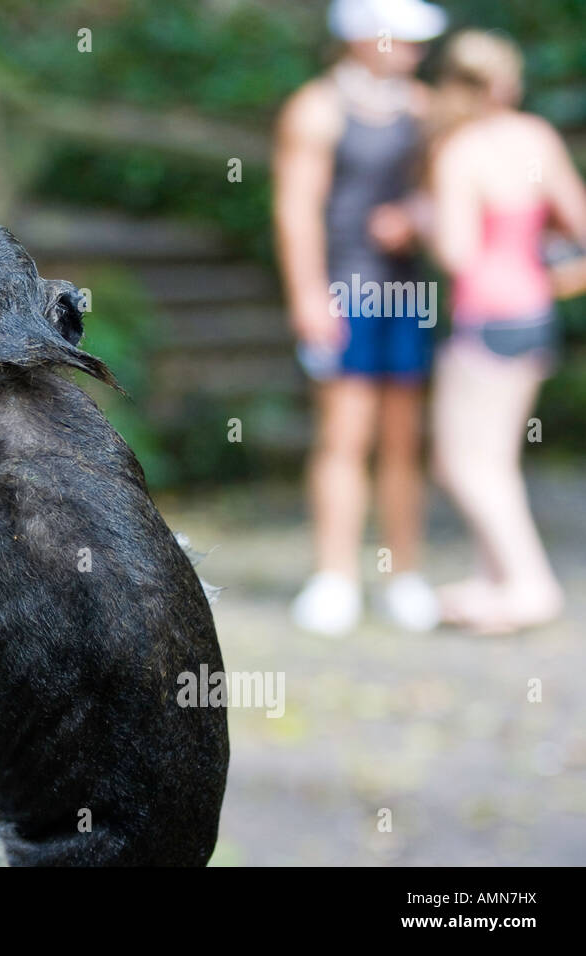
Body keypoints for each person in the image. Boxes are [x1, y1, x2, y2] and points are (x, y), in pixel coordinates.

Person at [274, 0, 447, 636]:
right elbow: (297, 209)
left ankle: (405, 576)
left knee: (404, 440)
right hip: (345, 292)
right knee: (343, 437)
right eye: (401, 39)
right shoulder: (317, 108)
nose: (413, 51)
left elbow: (445, 190)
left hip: (408, 294)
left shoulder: (425, 109)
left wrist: (419, 217)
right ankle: (335, 577)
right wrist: (307, 297)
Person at [426, 30, 586, 633]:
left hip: (486, 317)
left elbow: (457, 251)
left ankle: (529, 585)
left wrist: (421, 218)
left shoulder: (458, 151)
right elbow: (576, 218)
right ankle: (493, 579)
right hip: (534, 314)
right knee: (496, 457)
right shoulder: (536, 136)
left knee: (464, 463)